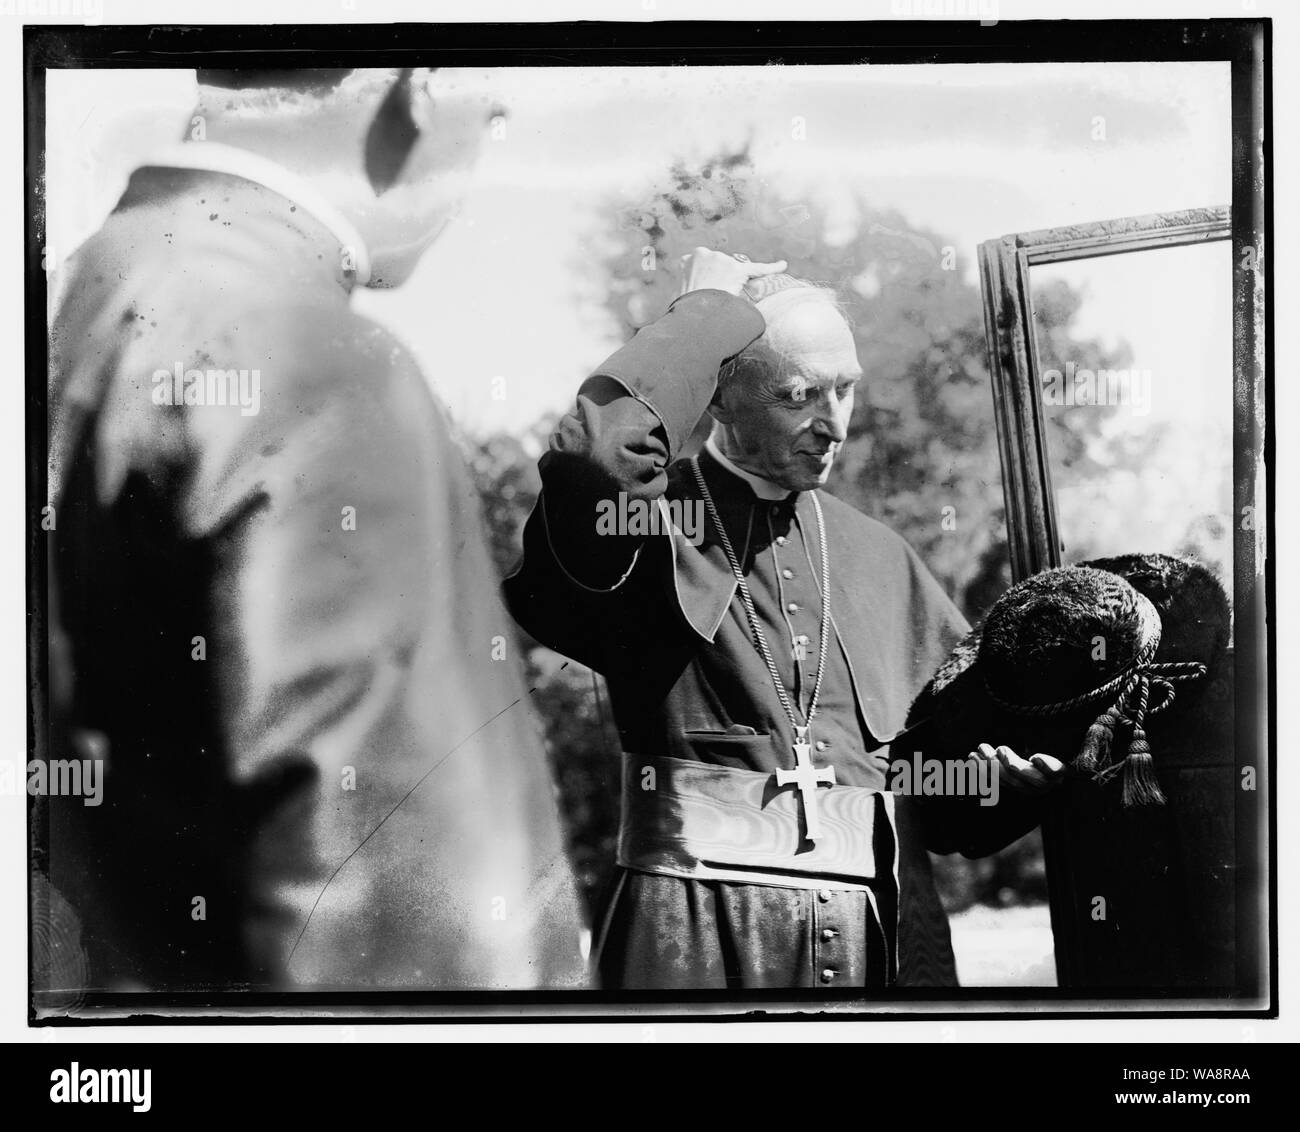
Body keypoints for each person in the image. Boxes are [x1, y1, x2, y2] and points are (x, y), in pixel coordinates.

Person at [42, 68, 588, 993]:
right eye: (493, 110)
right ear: (421, 85)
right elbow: (410, 938)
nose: (486, 155)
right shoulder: (318, 361)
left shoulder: (68, 302)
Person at [504, 247, 1065, 989]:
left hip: (887, 939)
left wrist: (1002, 790)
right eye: (800, 395)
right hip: (698, 936)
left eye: (845, 391)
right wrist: (699, 323)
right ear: (722, 398)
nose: (833, 424)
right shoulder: (650, 528)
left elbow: (938, 793)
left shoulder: (880, 557)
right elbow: (592, 466)